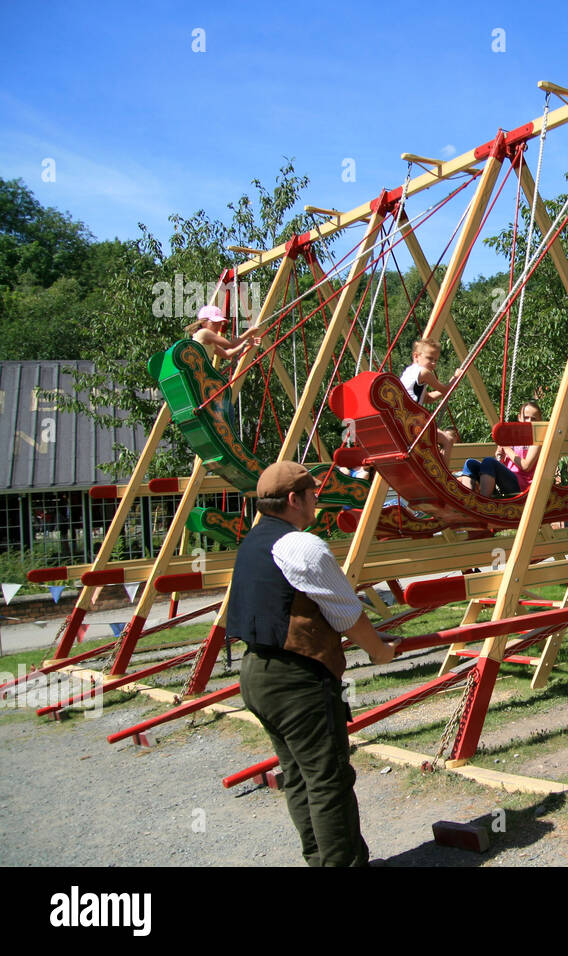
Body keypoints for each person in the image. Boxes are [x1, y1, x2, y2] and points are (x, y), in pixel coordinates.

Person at [227, 461, 400, 867]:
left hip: (256, 674)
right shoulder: (301, 545)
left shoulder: (253, 542)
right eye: (311, 492)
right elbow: (346, 614)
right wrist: (379, 651)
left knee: (301, 778)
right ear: (293, 500)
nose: (317, 497)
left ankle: (320, 860)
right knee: (329, 781)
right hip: (296, 680)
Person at [460, 400, 542, 497]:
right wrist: (501, 457)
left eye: (533, 419)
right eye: (526, 418)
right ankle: (467, 497)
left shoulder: (537, 440)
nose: (529, 421)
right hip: (508, 479)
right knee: (471, 463)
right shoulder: (514, 437)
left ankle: (484, 500)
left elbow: (526, 466)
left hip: (522, 485)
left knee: (489, 461)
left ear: (539, 420)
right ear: (519, 418)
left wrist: (507, 449)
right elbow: (503, 463)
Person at [400, 338, 459, 456]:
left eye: (436, 360)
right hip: (412, 422)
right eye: (430, 358)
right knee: (448, 440)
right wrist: (456, 378)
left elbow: (428, 398)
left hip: (405, 419)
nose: (433, 363)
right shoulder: (424, 373)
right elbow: (446, 389)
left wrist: (446, 390)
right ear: (416, 356)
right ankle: (443, 473)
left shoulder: (409, 372)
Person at [187, 304, 261, 361]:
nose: (218, 326)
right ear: (203, 323)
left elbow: (226, 354)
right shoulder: (204, 333)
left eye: (220, 323)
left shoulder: (209, 342)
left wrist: (244, 344)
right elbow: (231, 344)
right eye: (215, 323)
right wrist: (249, 332)